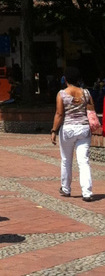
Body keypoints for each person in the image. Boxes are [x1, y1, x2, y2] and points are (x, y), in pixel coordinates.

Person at [51, 67, 94, 202]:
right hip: (84, 128)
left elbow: (59, 114)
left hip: (68, 129)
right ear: (78, 79)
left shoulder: (62, 94)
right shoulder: (86, 93)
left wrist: (54, 130)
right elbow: (91, 110)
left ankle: (66, 188)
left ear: (65, 79)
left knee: (66, 160)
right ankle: (87, 192)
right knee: (83, 161)